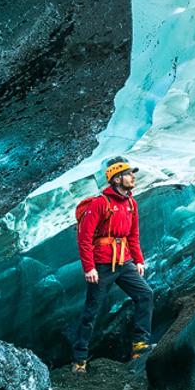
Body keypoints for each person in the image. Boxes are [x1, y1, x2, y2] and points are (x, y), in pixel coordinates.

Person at [68, 160, 154, 374]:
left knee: (145, 294)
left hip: (124, 263)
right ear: (117, 179)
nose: (133, 177)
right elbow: (84, 238)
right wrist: (89, 267)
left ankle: (140, 346)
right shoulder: (100, 203)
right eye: (128, 174)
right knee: (91, 312)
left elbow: (133, 235)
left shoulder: (131, 204)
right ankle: (79, 360)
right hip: (102, 265)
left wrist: (139, 260)